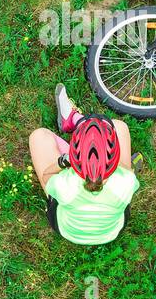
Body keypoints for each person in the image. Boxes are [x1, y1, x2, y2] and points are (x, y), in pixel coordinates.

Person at [27, 84, 138, 245]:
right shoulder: (126, 181)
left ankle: (74, 121)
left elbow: (47, 177)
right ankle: (75, 120)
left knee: (38, 136)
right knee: (119, 126)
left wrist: (63, 161)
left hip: (66, 229)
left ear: (75, 157)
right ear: (113, 158)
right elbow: (128, 172)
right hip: (112, 231)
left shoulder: (65, 184)